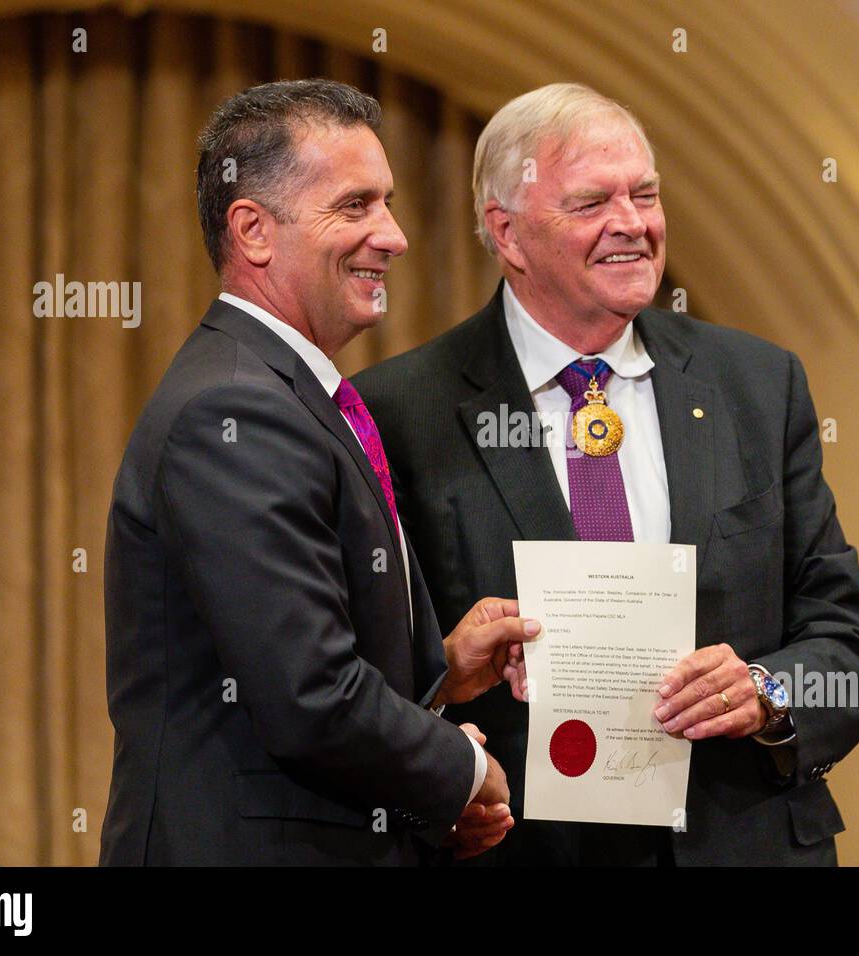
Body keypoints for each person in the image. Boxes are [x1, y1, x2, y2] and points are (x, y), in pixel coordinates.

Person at [354, 83, 859, 865]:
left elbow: (846, 644)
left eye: (645, 194)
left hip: (746, 842)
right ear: (509, 234)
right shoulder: (400, 411)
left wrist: (767, 693)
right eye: (591, 202)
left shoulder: (757, 385)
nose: (632, 223)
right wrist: (441, 765)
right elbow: (370, 679)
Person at [100, 79, 535, 866]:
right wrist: (468, 769)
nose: (396, 236)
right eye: (355, 205)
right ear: (254, 230)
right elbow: (309, 696)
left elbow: (299, 660)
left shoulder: (290, 393)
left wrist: (437, 674)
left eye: (390, 202)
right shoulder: (234, 410)